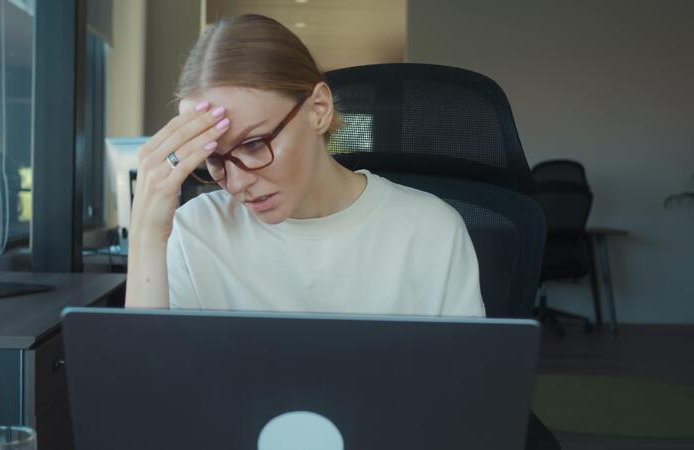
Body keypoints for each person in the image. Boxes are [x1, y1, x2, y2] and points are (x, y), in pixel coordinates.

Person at [125, 14, 484, 318]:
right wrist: (146, 236)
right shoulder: (194, 234)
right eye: (215, 158)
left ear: (319, 109)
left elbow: (469, 390)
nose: (236, 183)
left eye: (253, 144)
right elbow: (142, 393)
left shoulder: (430, 231)